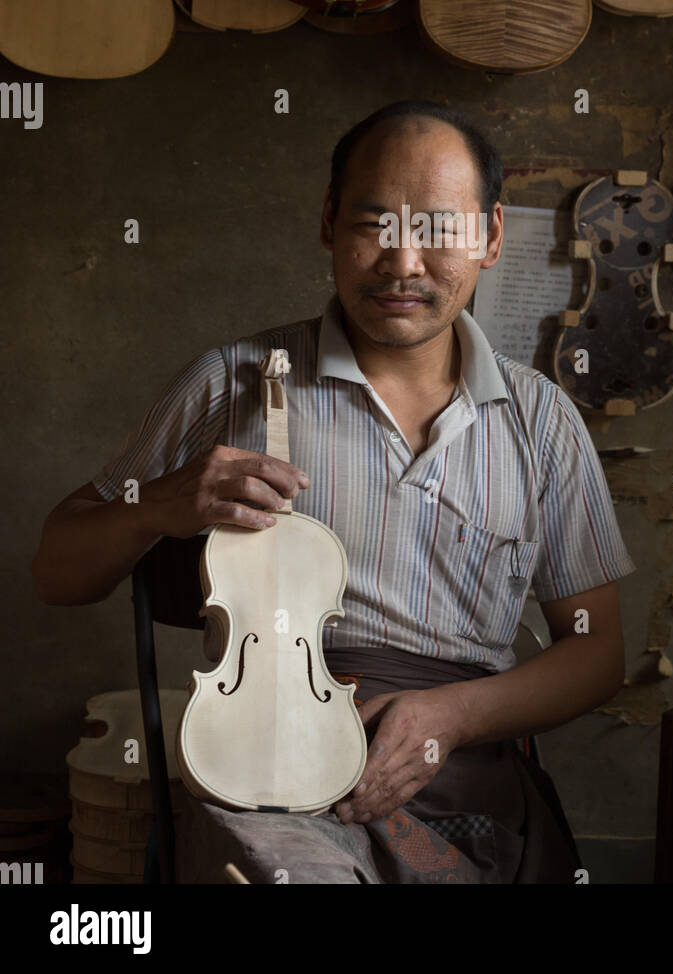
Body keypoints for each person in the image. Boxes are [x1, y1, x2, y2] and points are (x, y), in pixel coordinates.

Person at [33, 100, 636, 884]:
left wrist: (451, 717)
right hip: (267, 772)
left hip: (465, 776)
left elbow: (596, 651)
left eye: (438, 230)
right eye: (373, 224)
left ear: (488, 237)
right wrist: (156, 506)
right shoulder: (233, 382)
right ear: (328, 224)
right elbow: (57, 572)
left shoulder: (542, 420)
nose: (402, 262)